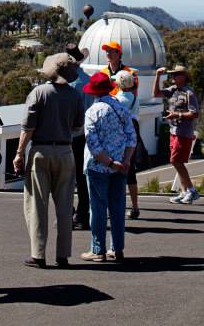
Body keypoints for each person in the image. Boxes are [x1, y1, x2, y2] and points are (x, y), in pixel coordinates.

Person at [13, 52, 84, 268]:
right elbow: (78, 126)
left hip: (41, 151)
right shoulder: (75, 96)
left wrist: (19, 153)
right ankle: (63, 255)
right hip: (65, 152)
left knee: (37, 204)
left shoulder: (39, 93)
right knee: (64, 206)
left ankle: (38, 254)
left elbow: (28, 128)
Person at [81, 71, 137, 263]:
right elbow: (132, 137)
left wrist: (109, 162)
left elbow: (93, 144)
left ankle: (98, 249)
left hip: (99, 167)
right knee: (117, 208)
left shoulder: (92, 112)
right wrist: (125, 161)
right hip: (121, 167)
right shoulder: (121, 108)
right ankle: (117, 248)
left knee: (97, 209)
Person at [100, 40, 141, 218]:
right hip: (110, 125)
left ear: (119, 53)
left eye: (112, 51)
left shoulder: (131, 73)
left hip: (125, 124)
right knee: (111, 166)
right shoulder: (102, 73)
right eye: (107, 51)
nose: (109, 54)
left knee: (127, 166)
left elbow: (130, 96)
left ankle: (134, 206)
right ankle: (114, 205)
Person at [152, 64, 200, 203]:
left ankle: (191, 190)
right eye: (173, 74)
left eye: (177, 74)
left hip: (183, 132)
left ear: (184, 77)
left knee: (176, 161)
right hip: (174, 131)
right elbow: (156, 94)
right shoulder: (173, 90)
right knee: (177, 162)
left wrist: (177, 115)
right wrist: (157, 76)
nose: (173, 77)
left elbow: (195, 113)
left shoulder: (188, 93)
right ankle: (184, 192)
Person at [66, 43, 93, 230]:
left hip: (64, 136)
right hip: (83, 135)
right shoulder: (88, 82)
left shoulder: (65, 83)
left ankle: (67, 212)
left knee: (64, 178)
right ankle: (83, 214)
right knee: (82, 178)